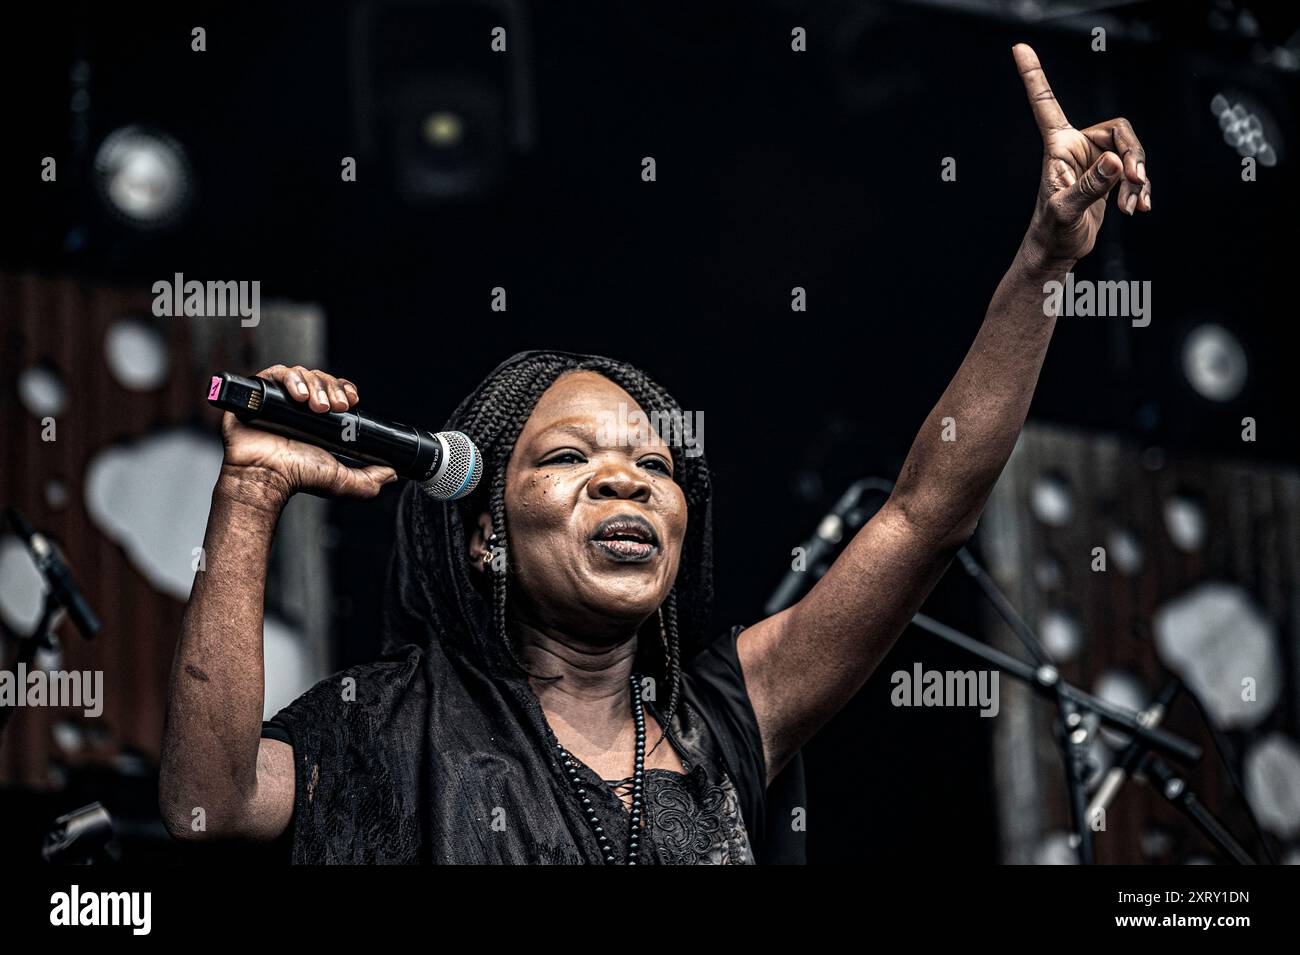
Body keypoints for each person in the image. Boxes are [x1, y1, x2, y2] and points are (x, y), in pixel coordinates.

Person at [159, 45, 1152, 863]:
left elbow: (924, 513)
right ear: (480, 537)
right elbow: (208, 802)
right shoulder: (379, 724)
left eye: (656, 464)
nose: (626, 475)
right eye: (565, 460)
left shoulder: (725, 709)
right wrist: (250, 488)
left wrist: (1042, 268)